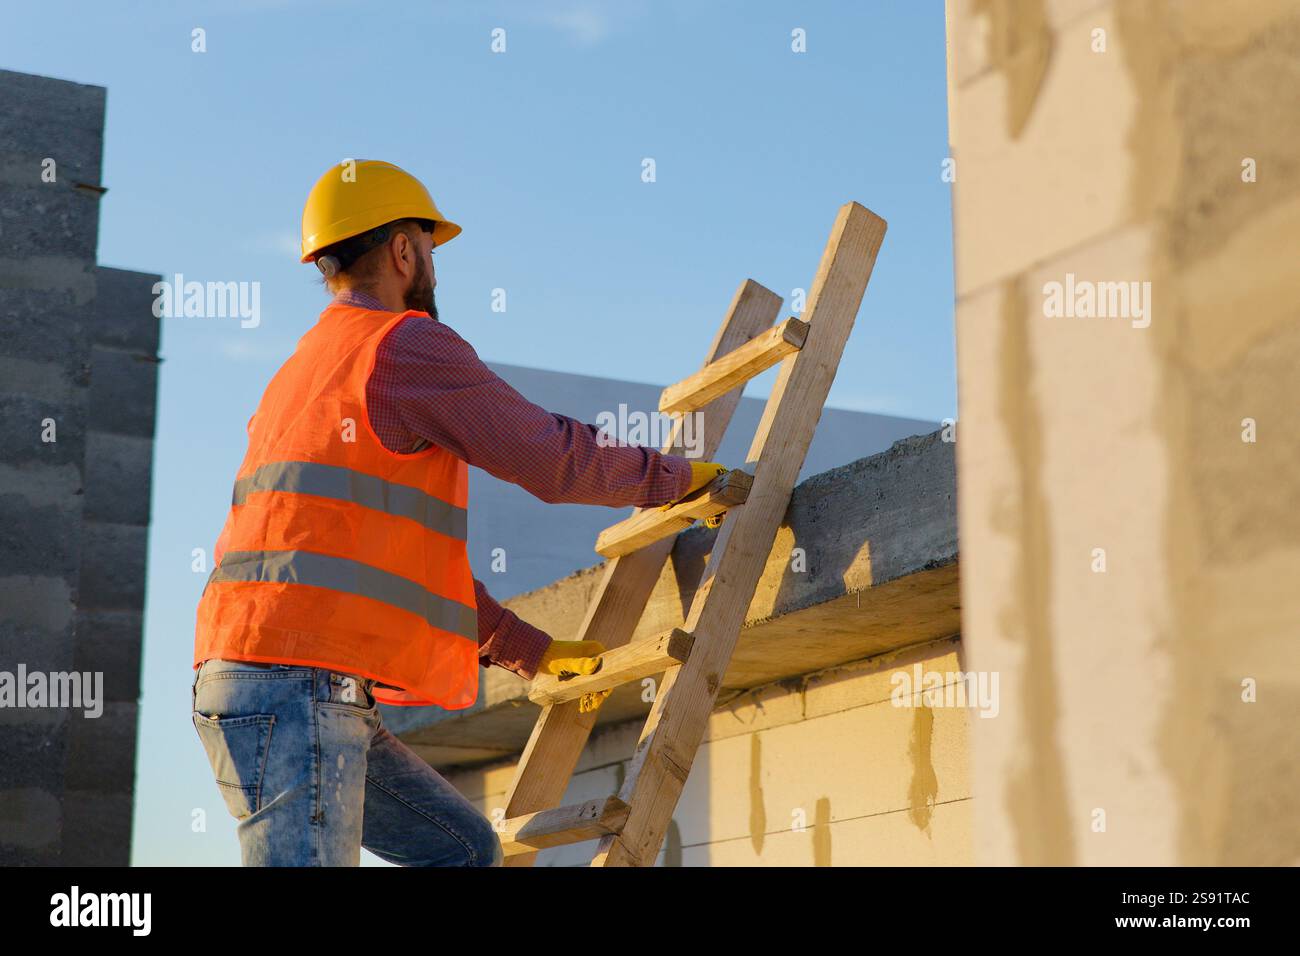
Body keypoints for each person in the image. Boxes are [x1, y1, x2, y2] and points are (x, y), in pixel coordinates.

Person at [189, 160, 726, 866]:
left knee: (461, 850)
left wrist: (528, 651)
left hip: (260, 681)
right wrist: (678, 479)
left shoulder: (306, 368)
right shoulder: (402, 346)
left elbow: (391, 568)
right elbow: (549, 456)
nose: (435, 268)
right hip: (299, 687)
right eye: (430, 249)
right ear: (404, 251)